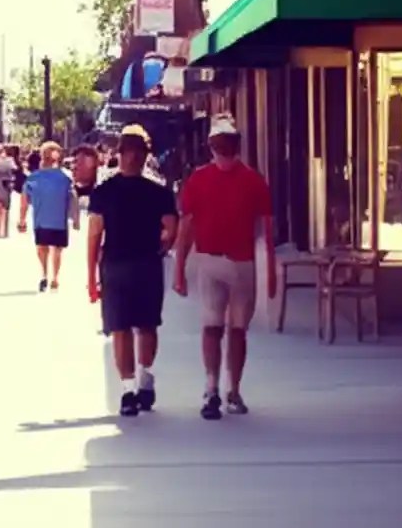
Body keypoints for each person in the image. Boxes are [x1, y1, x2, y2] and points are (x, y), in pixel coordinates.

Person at [173, 114, 276, 420]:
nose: (223, 151)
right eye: (220, 145)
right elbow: (186, 227)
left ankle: (231, 388)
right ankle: (213, 388)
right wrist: (179, 267)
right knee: (213, 325)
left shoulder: (253, 181)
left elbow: (266, 230)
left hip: (241, 261)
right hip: (212, 260)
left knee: (237, 329)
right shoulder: (201, 180)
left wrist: (268, 269)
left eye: (227, 145)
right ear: (211, 146)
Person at [87, 125, 177, 417]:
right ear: (121, 154)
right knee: (124, 328)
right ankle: (130, 387)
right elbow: (94, 234)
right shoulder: (110, 192)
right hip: (122, 264)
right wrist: (91, 275)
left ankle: (142, 378)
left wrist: (163, 246)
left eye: (138, 152)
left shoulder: (155, 192)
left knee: (141, 325)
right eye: (129, 152)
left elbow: (171, 227)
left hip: (137, 263)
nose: (133, 157)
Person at [18, 141, 81, 292]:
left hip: (41, 221)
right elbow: (73, 199)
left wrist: (22, 220)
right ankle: (54, 277)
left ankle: (45, 275)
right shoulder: (65, 178)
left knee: (42, 248)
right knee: (57, 249)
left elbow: (24, 200)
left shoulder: (34, 178)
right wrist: (75, 219)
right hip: (59, 221)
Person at [0, 146, 18, 238]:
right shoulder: (11, 161)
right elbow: (15, 168)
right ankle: (5, 232)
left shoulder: (0, 161)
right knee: (5, 210)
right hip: (7, 186)